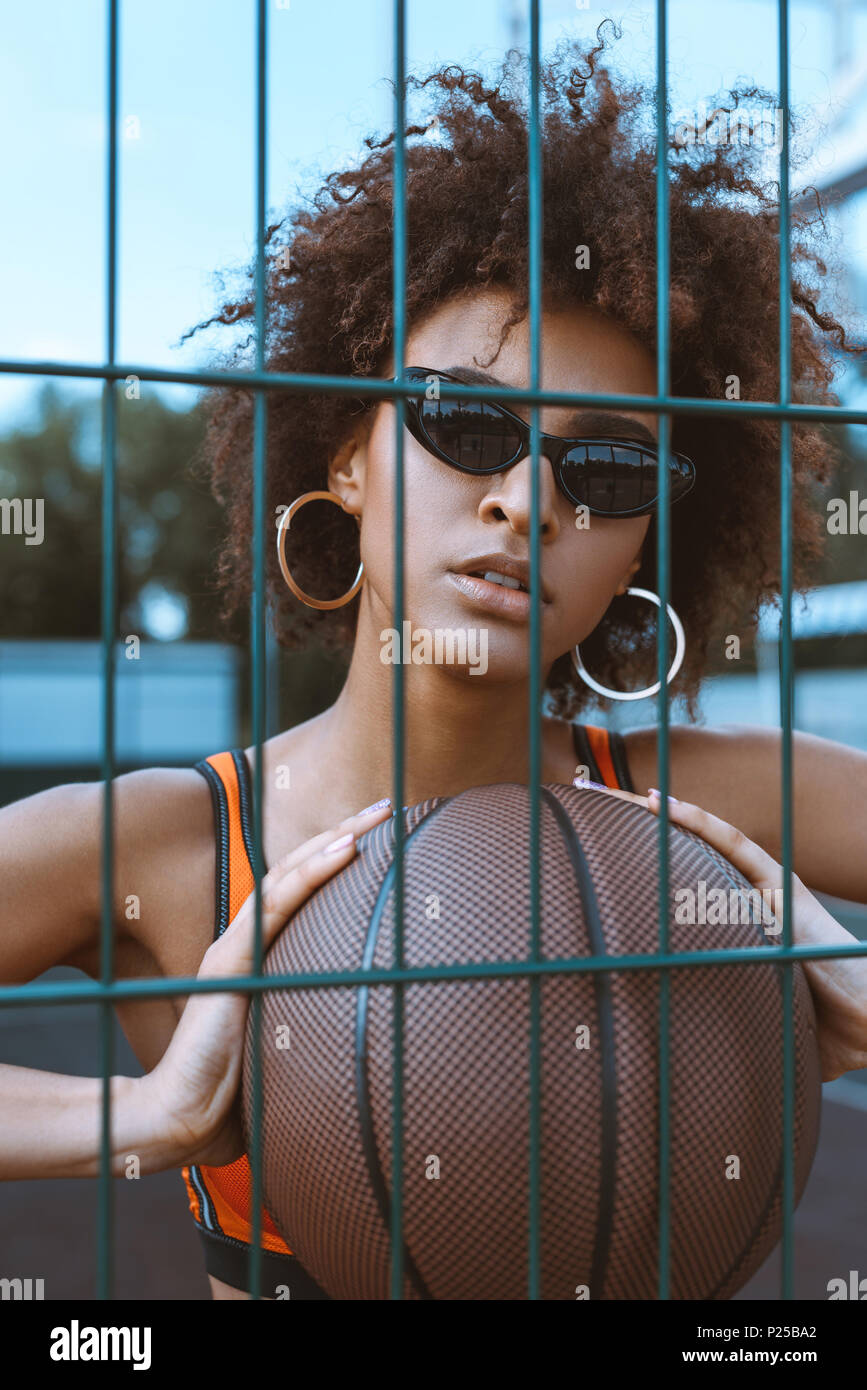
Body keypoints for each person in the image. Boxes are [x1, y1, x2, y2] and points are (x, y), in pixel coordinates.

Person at [2, 32, 867, 1301]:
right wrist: (143, 1121)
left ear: (649, 534)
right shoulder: (167, 849)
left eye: (608, 464)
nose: (529, 502)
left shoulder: (709, 813)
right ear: (343, 457)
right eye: (463, 423)